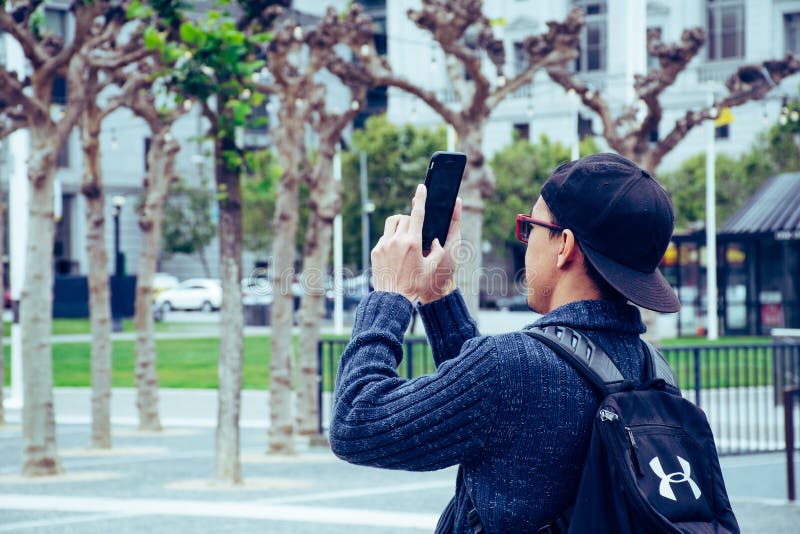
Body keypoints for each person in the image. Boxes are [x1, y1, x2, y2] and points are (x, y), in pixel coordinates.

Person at [329, 153, 681, 533]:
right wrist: (439, 294)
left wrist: (391, 294)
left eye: (531, 227)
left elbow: (356, 423)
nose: (526, 245)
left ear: (564, 245)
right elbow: (491, 416)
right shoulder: (652, 370)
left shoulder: (511, 369)